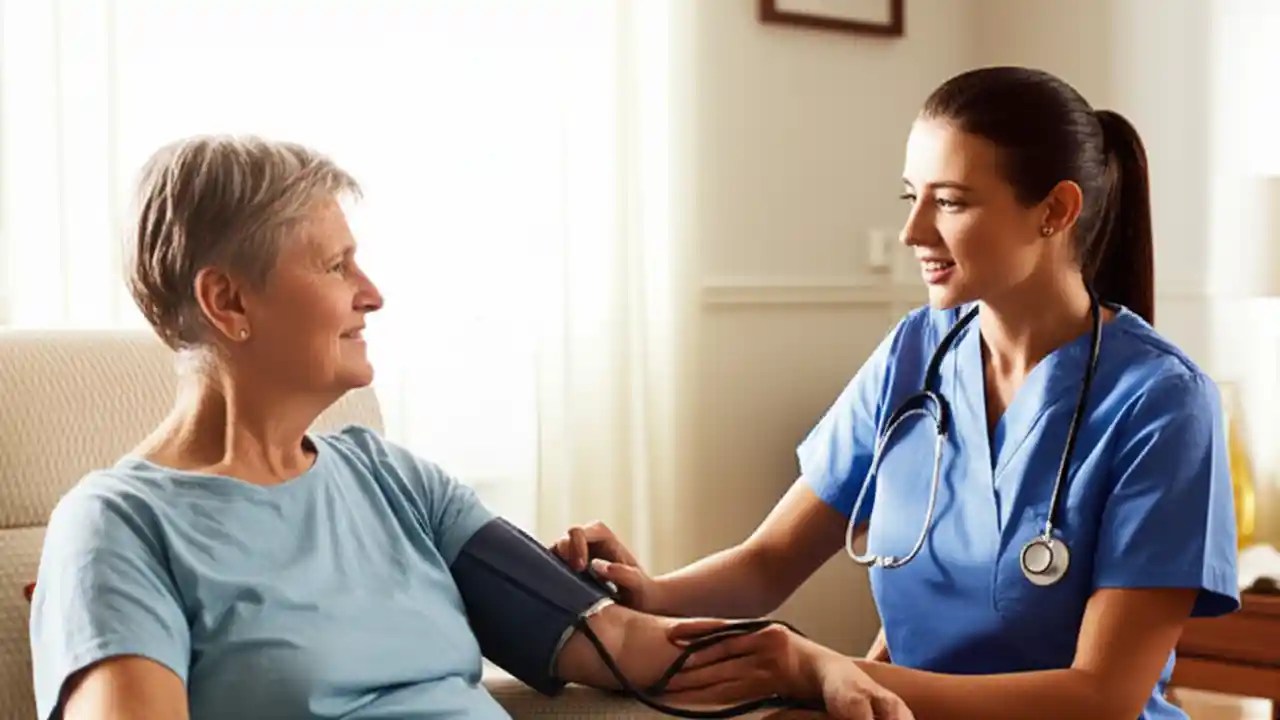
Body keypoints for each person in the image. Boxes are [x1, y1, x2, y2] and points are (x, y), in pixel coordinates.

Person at [25, 136, 909, 720]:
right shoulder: (116, 530)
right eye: (336, 265)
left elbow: (625, 643)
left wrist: (806, 662)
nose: (371, 293)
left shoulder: (393, 482)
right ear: (228, 300)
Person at [555, 66, 1240, 720]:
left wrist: (821, 669)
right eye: (912, 198)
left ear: (1055, 211)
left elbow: (1100, 701)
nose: (915, 233)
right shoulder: (916, 354)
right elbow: (766, 565)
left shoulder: (1164, 405)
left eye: (950, 202)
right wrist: (651, 592)